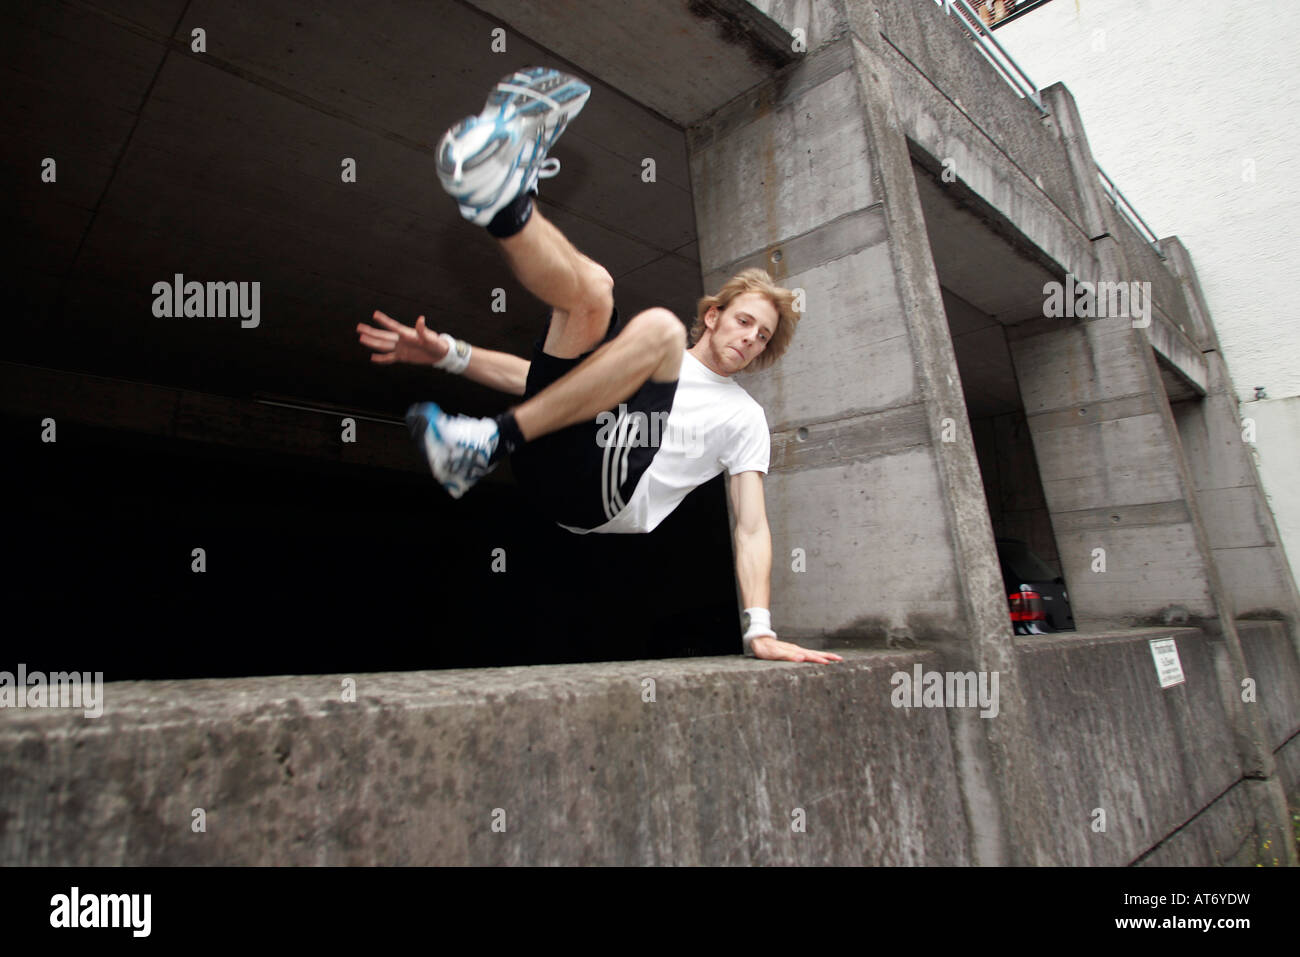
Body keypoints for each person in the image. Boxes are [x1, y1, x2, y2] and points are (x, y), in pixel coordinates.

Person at [355, 67, 841, 665]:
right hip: (553, 456)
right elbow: (540, 386)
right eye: (744, 321)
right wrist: (450, 354)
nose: (750, 338)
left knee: (657, 329)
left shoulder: (744, 419)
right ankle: (503, 201)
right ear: (714, 315)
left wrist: (759, 629)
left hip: (602, 500)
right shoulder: (643, 362)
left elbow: (750, 526)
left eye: (762, 337)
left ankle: (488, 441)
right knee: (596, 291)